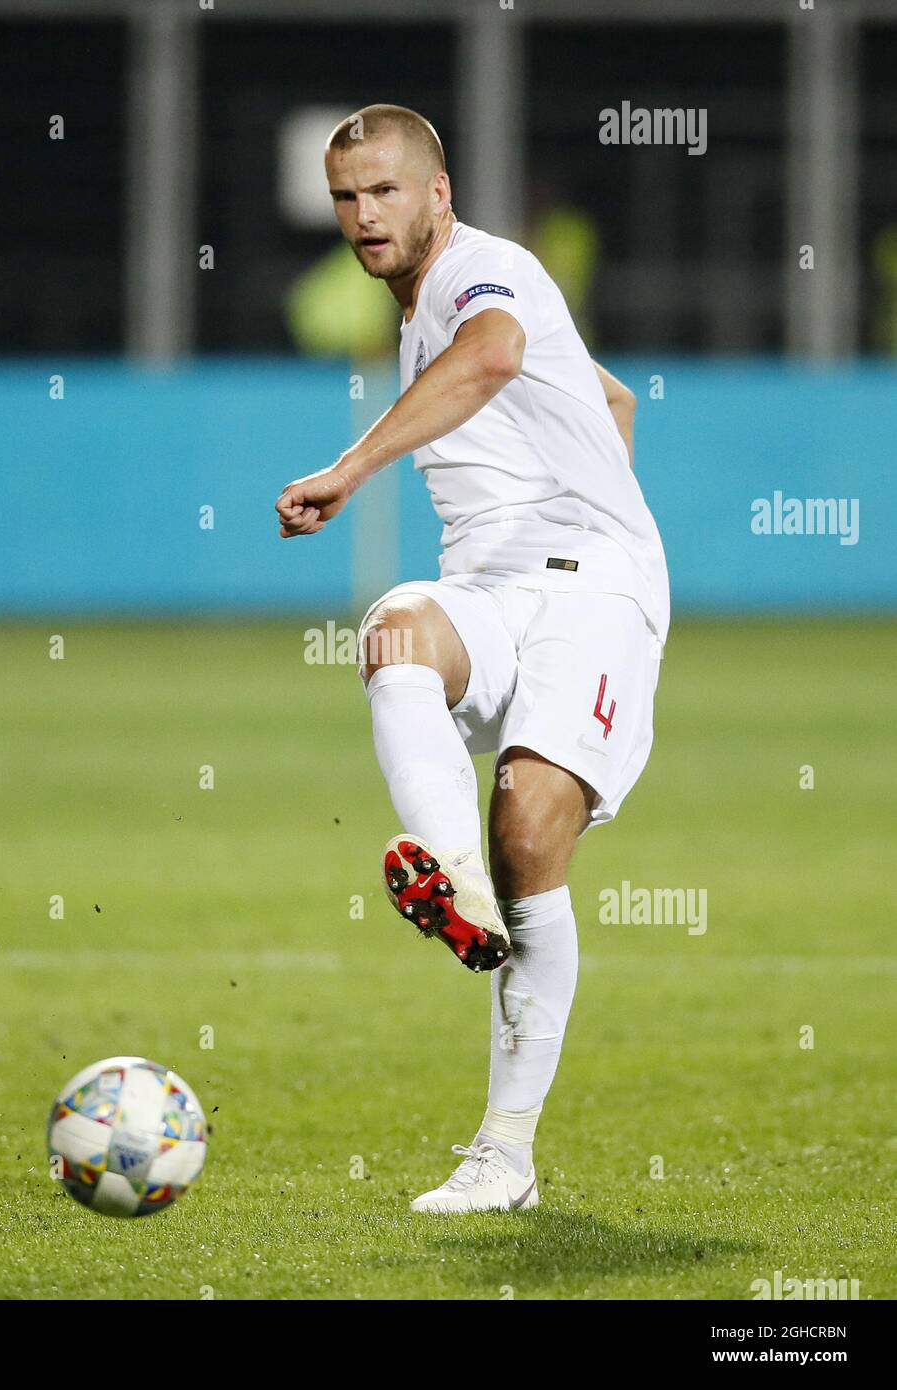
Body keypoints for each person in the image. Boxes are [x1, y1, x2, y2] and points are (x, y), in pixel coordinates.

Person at [274, 105, 669, 1214]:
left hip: (589, 585)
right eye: (346, 197)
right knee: (395, 624)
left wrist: (349, 470)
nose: (363, 216)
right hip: (492, 586)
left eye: (385, 192)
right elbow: (611, 397)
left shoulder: (477, 272)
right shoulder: (422, 308)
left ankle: (504, 1155)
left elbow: (495, 353)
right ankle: (451, 878)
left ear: (437, 195)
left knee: (531, 828)